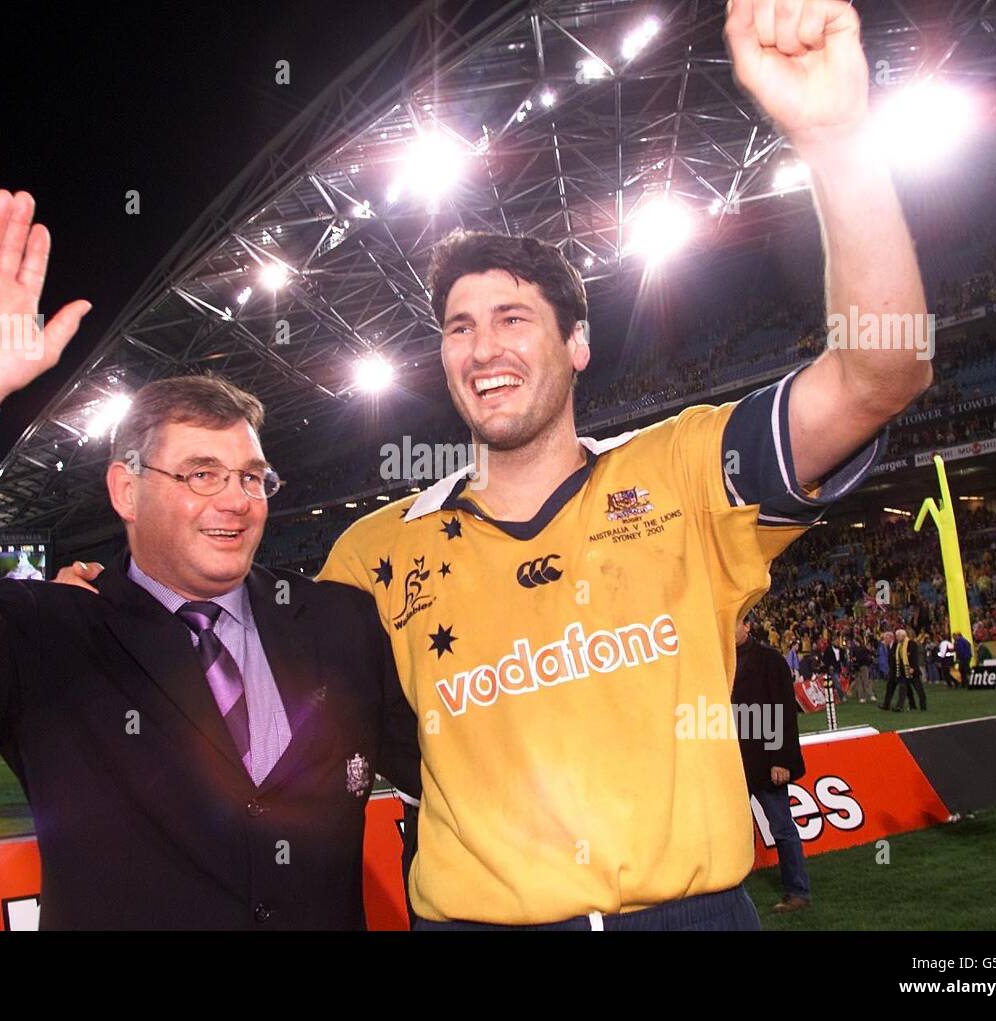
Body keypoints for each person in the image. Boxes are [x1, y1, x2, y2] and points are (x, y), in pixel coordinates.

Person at [68, 0, 932, 930]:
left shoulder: (683, 469)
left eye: (513, 318)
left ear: (579, 343)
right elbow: (243, 679)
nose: (483, 348)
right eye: (458, 327)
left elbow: (882, 372)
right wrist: (117, 605)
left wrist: (836, 136)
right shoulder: (371, 553)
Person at [0, 190, 420, 930]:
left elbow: (454, 772)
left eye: (250, 476)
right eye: (201, 473)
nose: (236, 500)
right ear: (125, 490)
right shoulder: (52, 634)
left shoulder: (341, 623)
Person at [733, 614, 810, 912]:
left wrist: (781, 759)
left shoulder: (771, 659)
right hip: (735, 766)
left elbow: (783, 711)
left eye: (733, 624)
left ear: (748, 626)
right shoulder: (719, 660)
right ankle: (735, 896)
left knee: (782, 828)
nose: (727, 631)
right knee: (736, 833)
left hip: (767, 763)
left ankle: (798, 892)